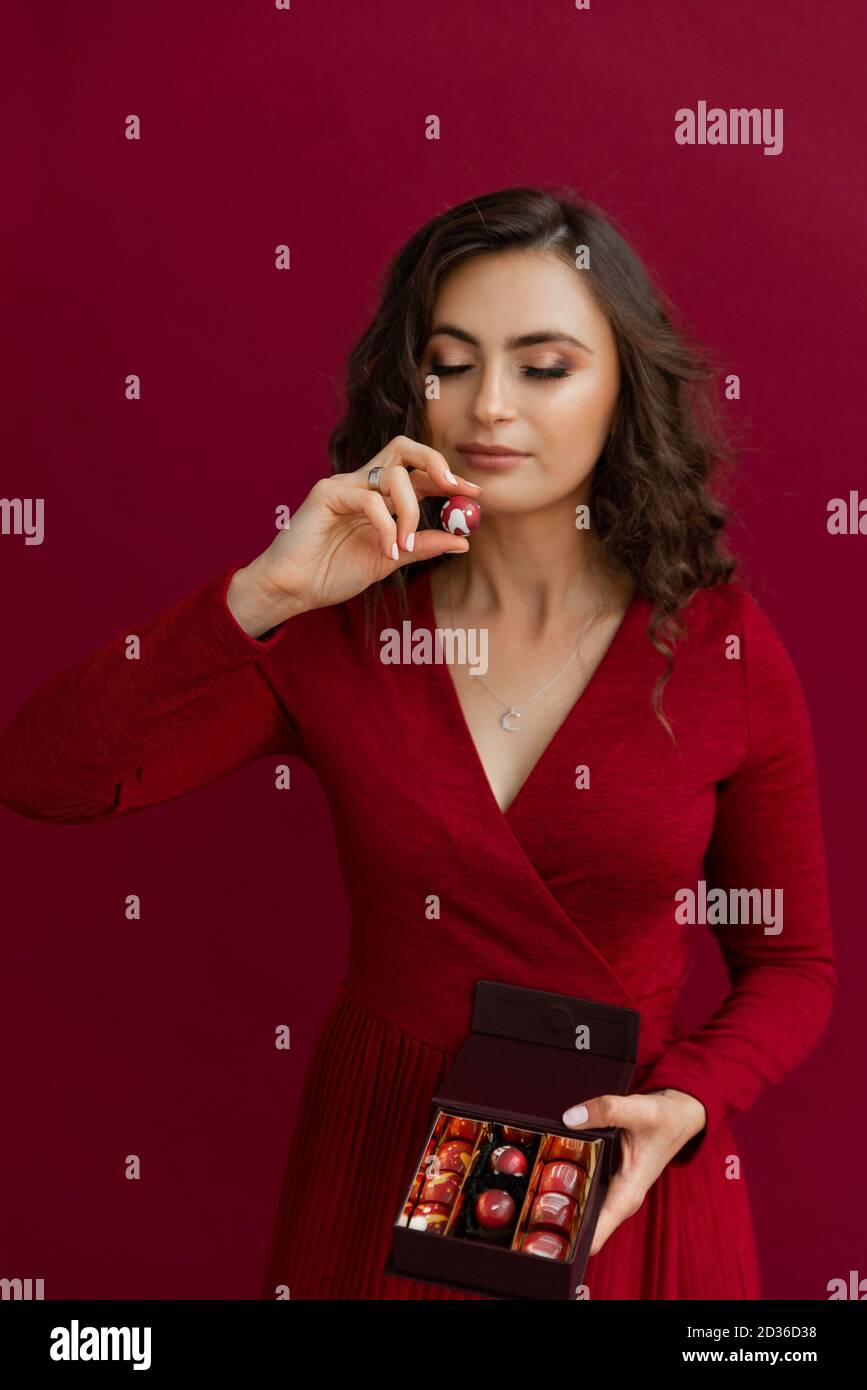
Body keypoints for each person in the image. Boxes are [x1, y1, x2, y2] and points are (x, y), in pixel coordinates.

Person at [0, 187, 836, 1300]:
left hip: (623, 1172)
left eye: (544, 366)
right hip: (383, 1157)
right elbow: (45, 774)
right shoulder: (337, 625)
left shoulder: (721, 646)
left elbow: (794, 966)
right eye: (452, 362)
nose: (489, 406)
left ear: (625, 387)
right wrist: (259, 595)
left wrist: (687, 1100)